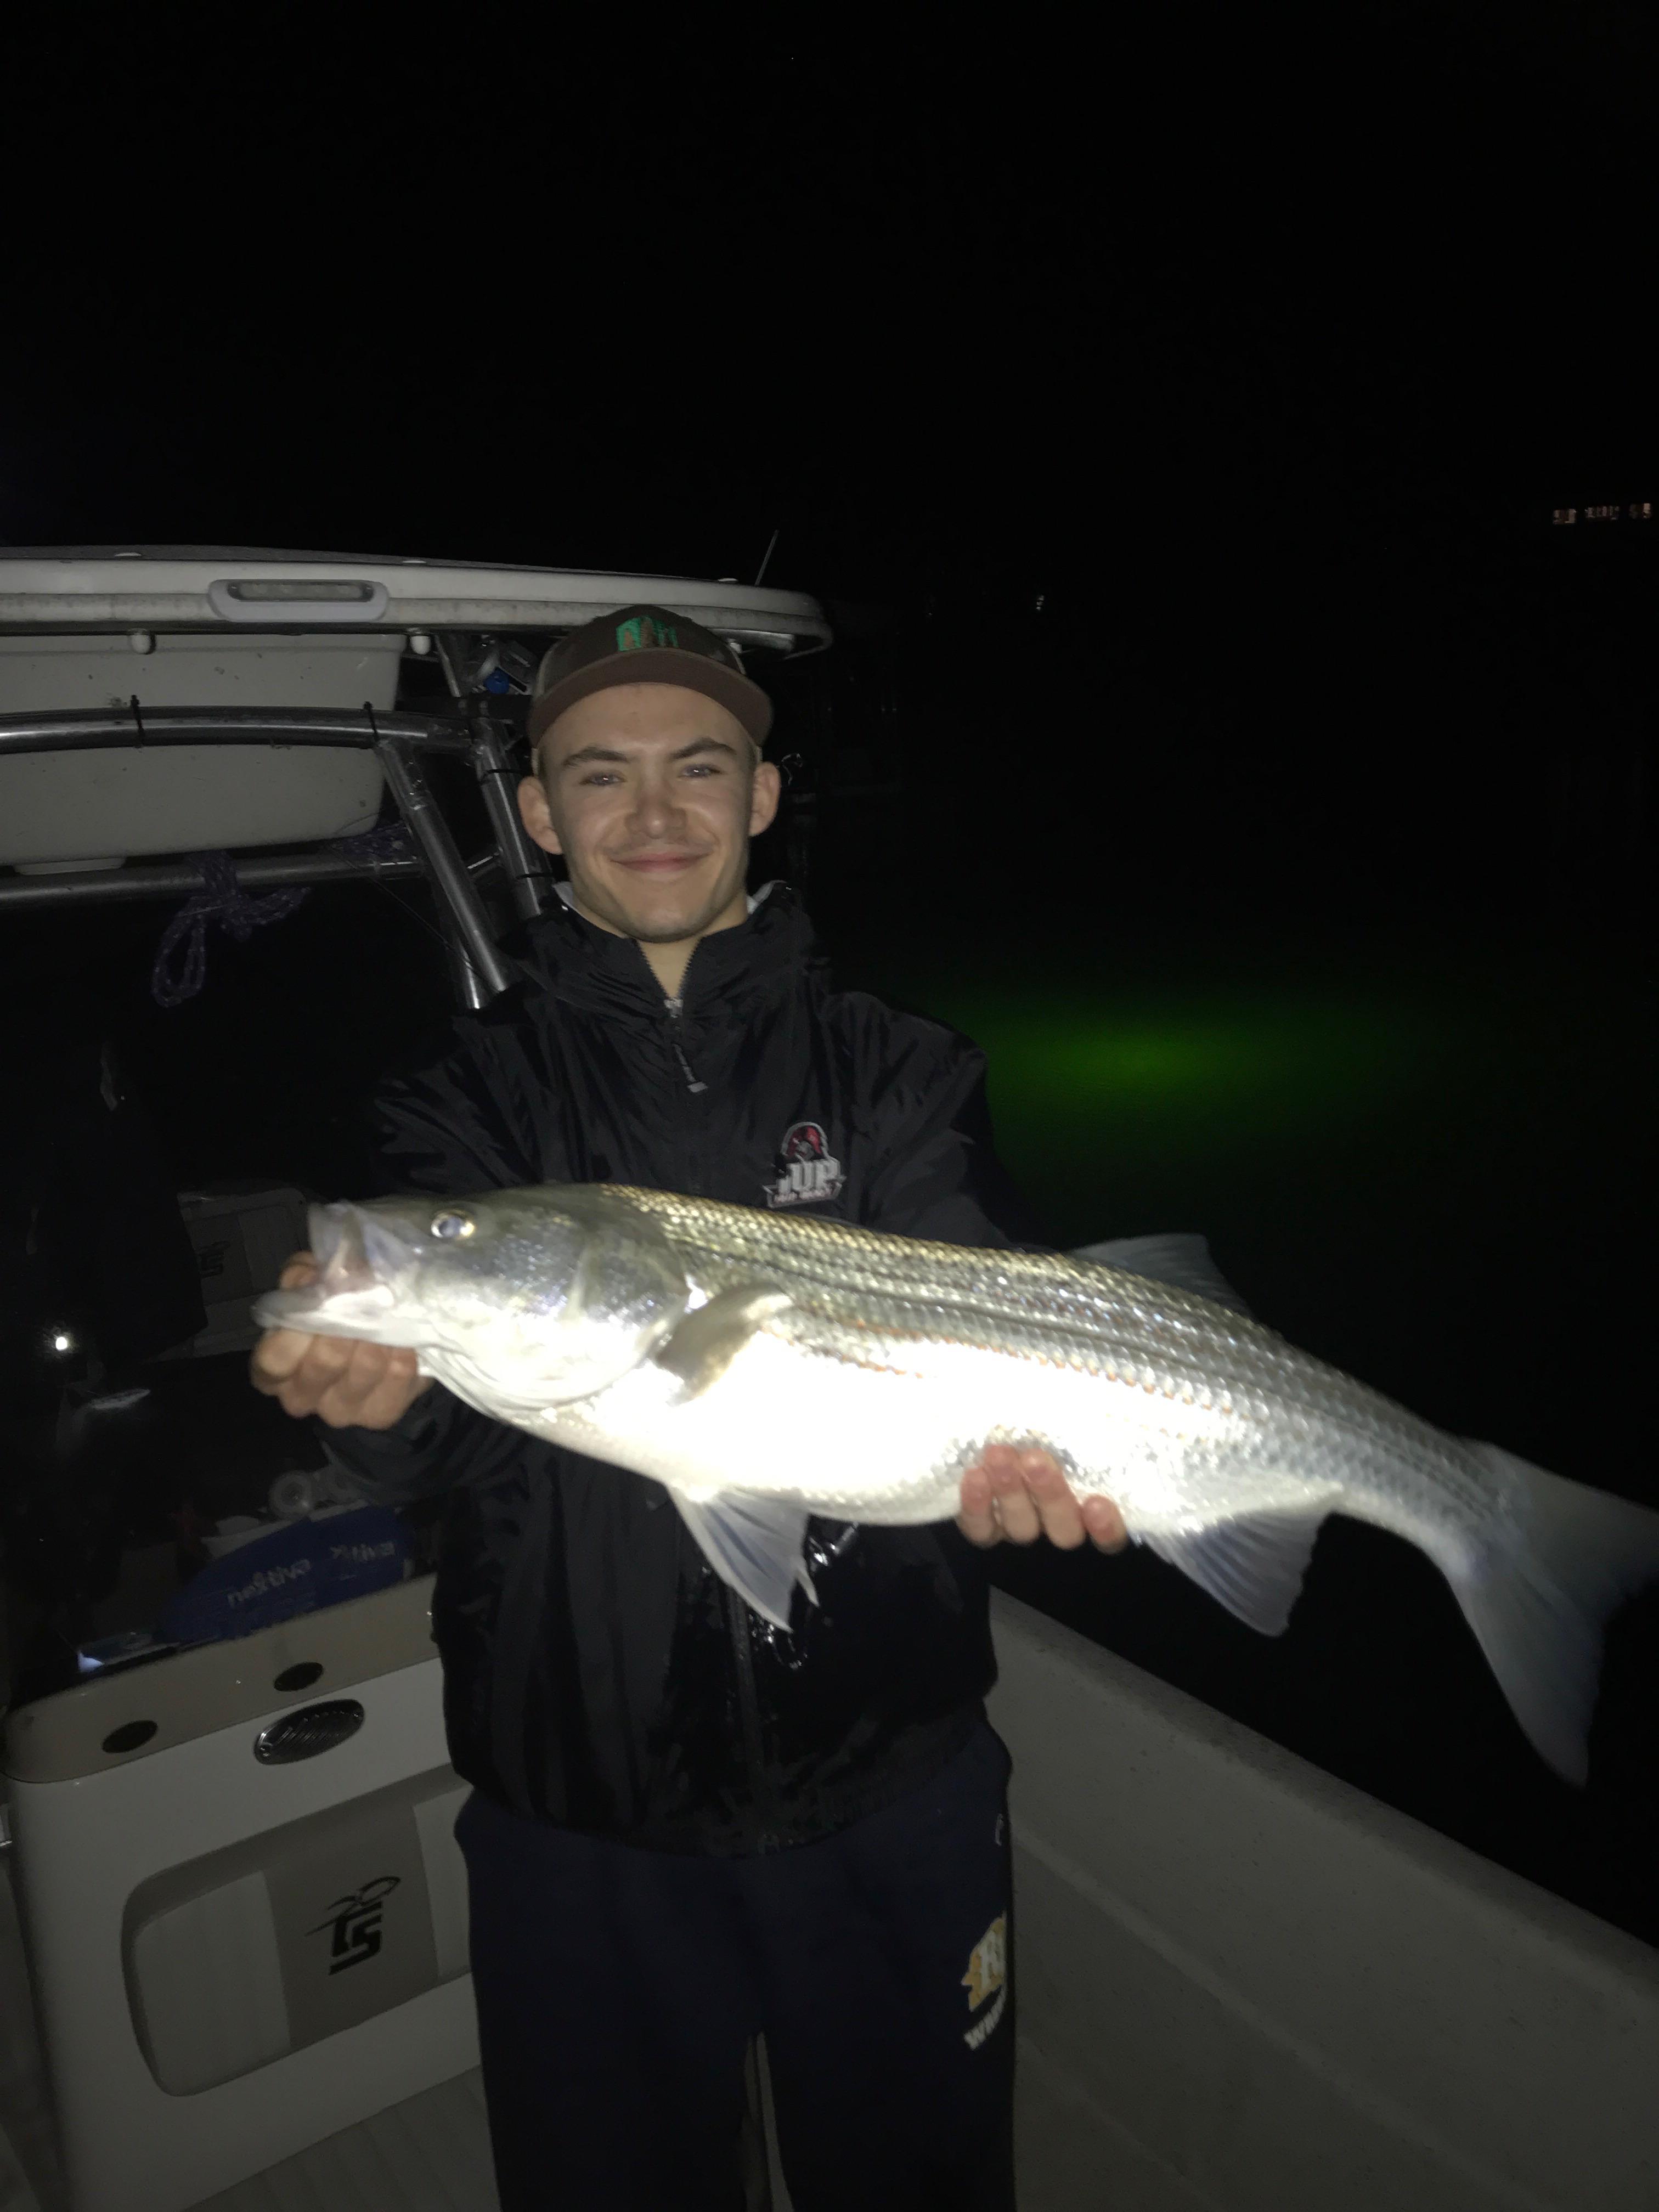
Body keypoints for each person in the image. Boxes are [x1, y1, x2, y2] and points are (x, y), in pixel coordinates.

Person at [252, 605, 1126, 2211]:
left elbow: (996, 1317)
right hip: (575, 1820)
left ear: (766, 797)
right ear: (537, 816)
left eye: (697, 768)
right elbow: (445, 1434)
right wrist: (369, 1405)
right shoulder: (458, 1098)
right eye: (600, 774)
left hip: (897, 1788)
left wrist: (1027, 1476)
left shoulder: (902, 1070)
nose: (652, 814)